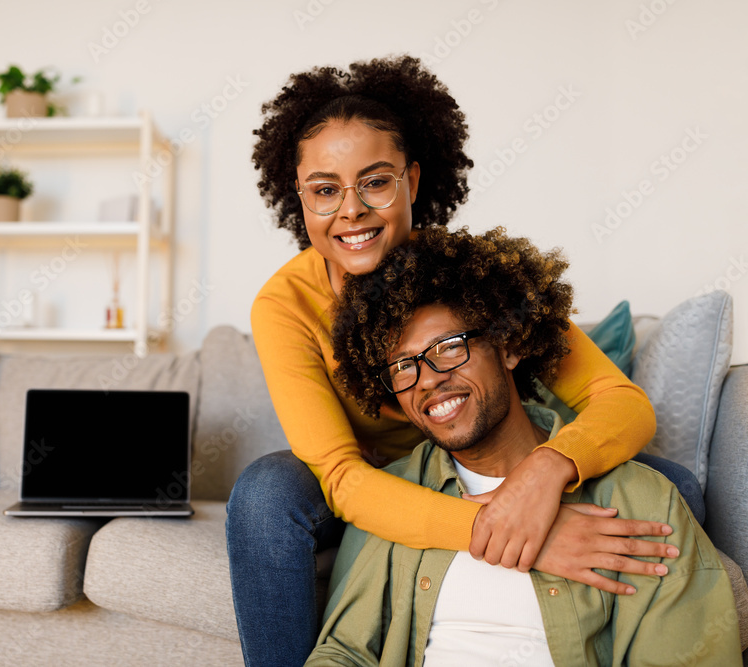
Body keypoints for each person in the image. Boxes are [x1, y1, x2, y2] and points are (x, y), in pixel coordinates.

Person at [226, 54, 702, 667]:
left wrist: (541, 478)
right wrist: (514, 531)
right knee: (266, 492)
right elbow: (342, 480)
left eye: (375, 181)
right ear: (300, 198)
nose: (351, 211)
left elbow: (622, 403)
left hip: (488, 455)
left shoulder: (471, 277)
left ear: (412, 182)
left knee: (678, 486)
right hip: (385, 478)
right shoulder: (283, 305)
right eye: (325, 191)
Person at [305, 226, 739, 665]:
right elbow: (344, 652)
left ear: (508, 348)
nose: (430, 379)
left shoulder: (641, 502)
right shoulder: (390, 503)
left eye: (449, 347)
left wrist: (548, 471)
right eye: (402, 367)